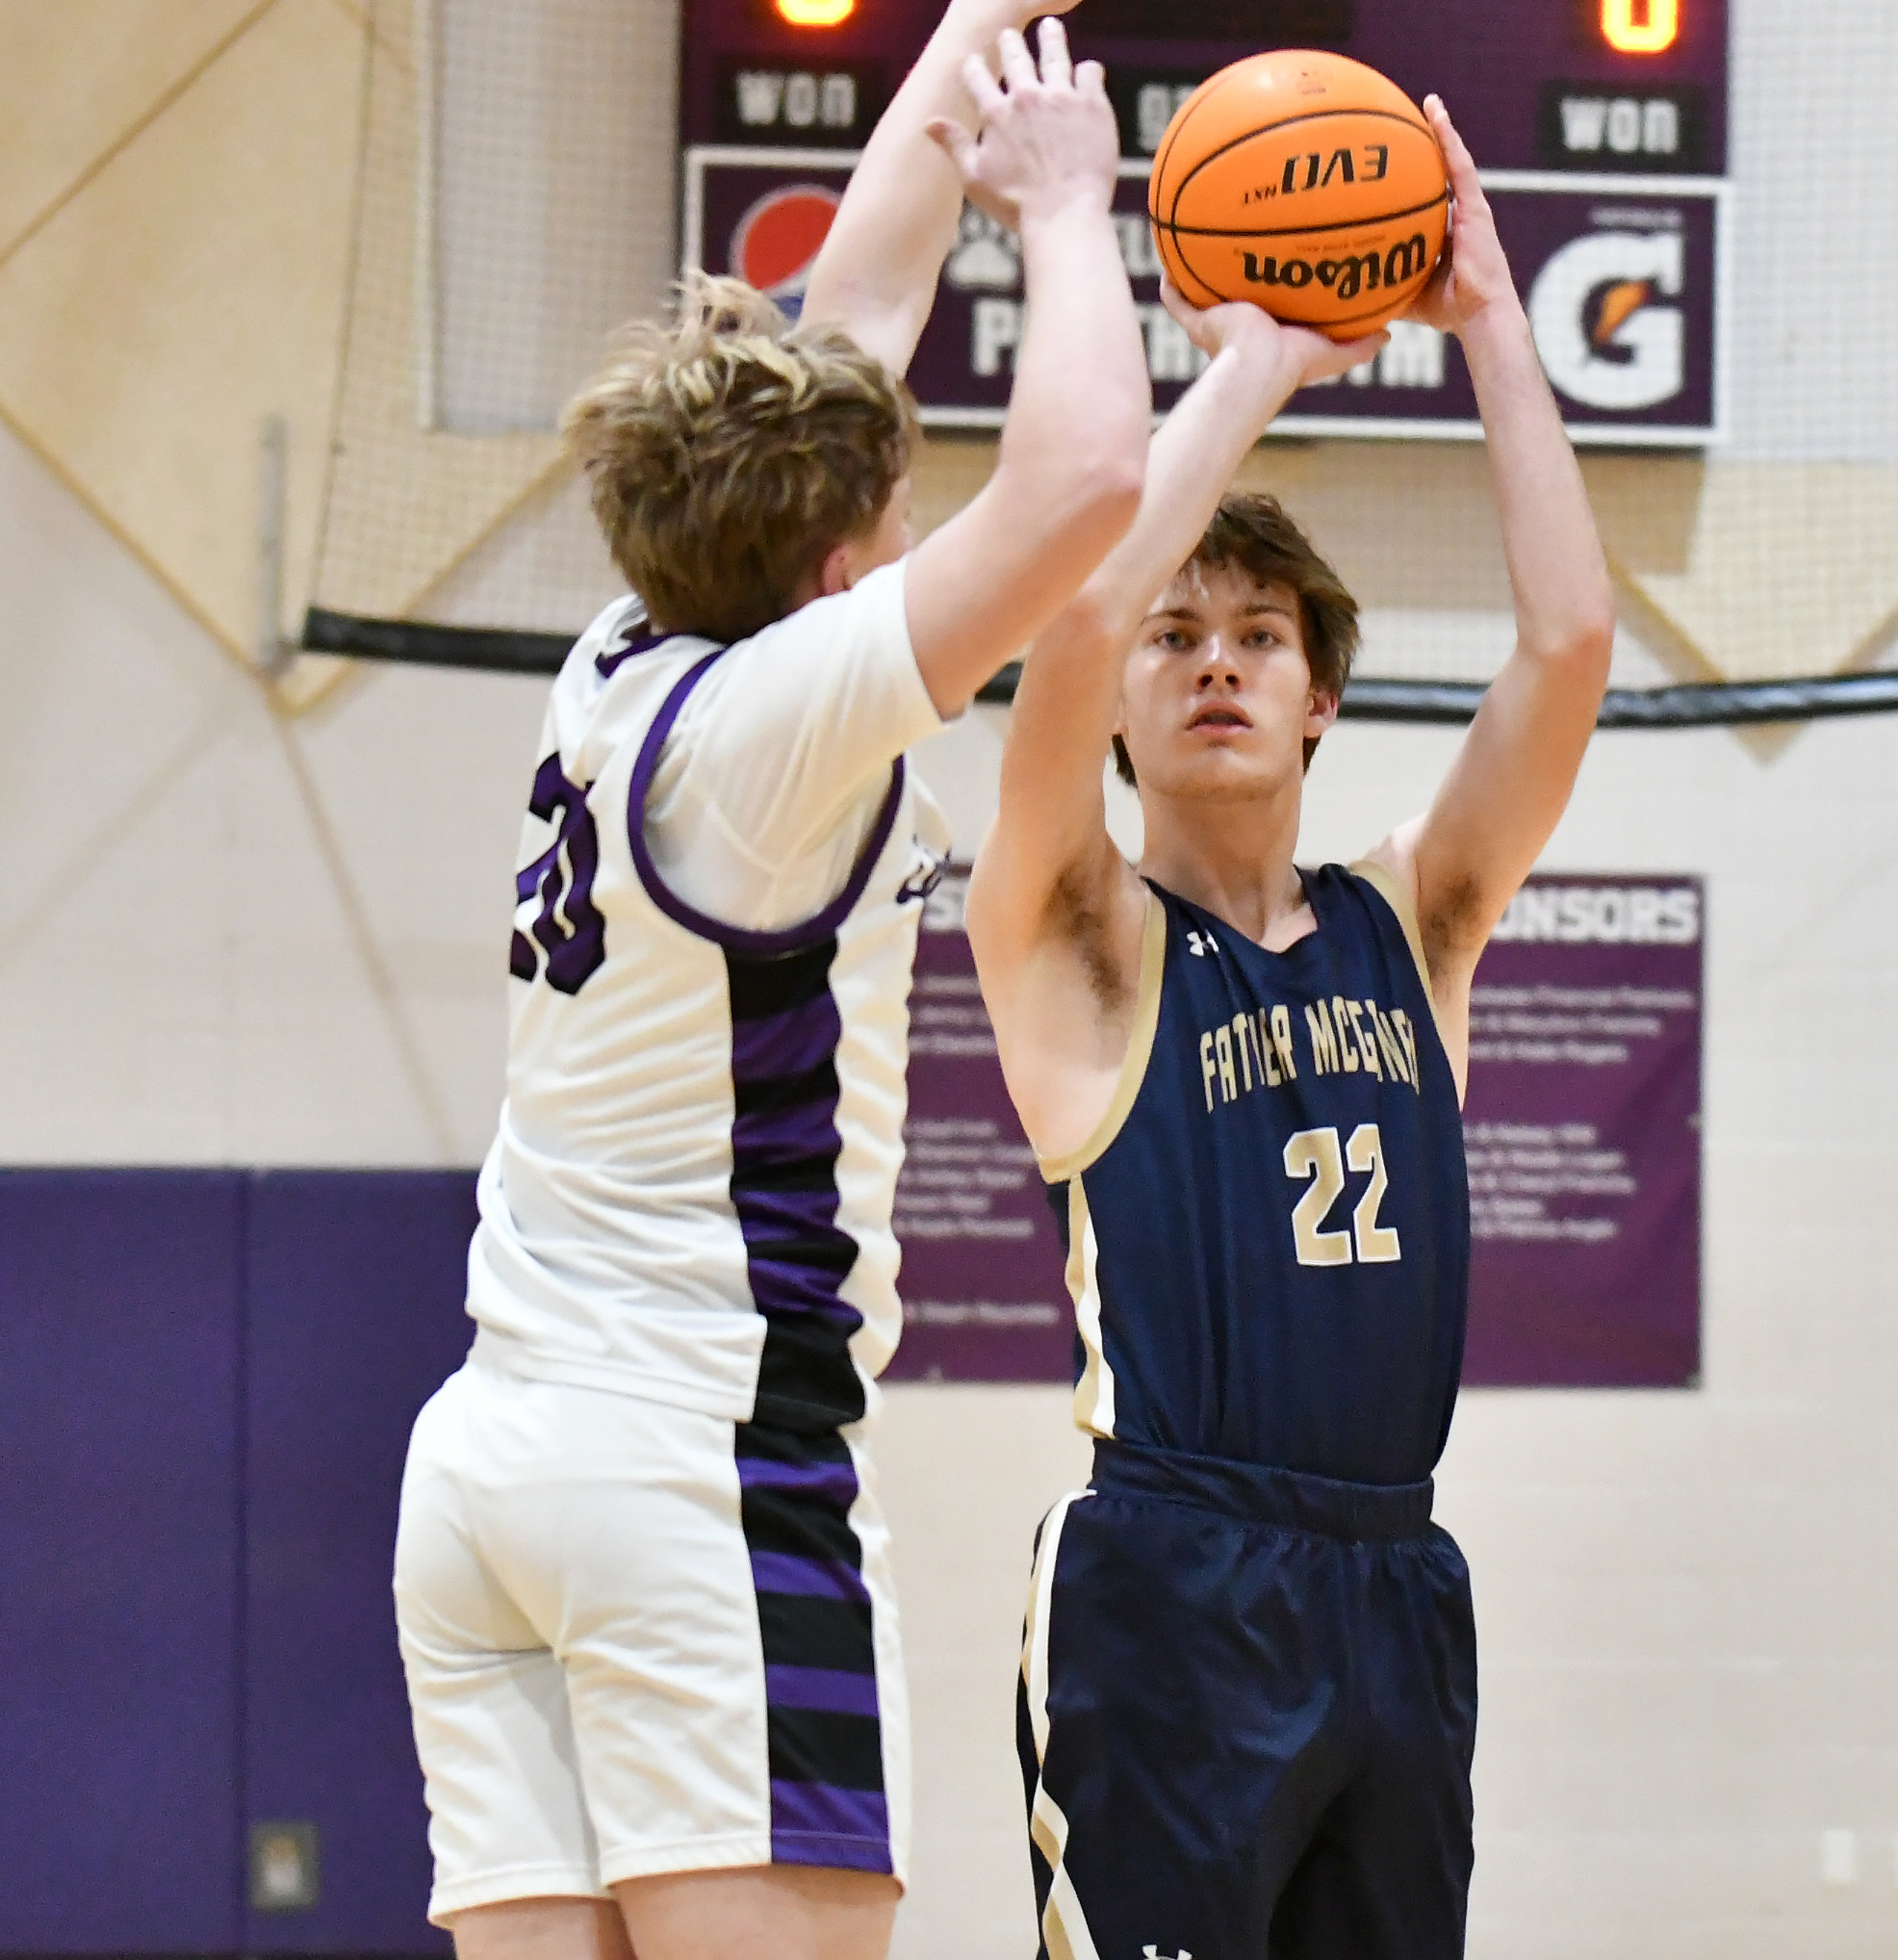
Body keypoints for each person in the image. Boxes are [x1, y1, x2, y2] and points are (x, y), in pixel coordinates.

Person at [391, 12, 1150, 1960]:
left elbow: (874, 270)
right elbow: (1077, 480)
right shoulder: (775, 719)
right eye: (888, 520)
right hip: (687, 1471)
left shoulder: (630, 638)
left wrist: (986, 29)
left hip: (490, 1467)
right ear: (836, 569)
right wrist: (1070, 212)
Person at [964, 99, 1617, 1960]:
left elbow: (1567, 648)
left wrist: (1490, 315)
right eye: (1178, 640)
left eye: (1259, 635)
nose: (1217, 661)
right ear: (1121, 706)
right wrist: (1255, 358)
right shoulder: (1075, 932)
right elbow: (1072, 612)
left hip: (1397, 1578)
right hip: (1168, 1589)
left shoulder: (1416, 920)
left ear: (1323, 693)